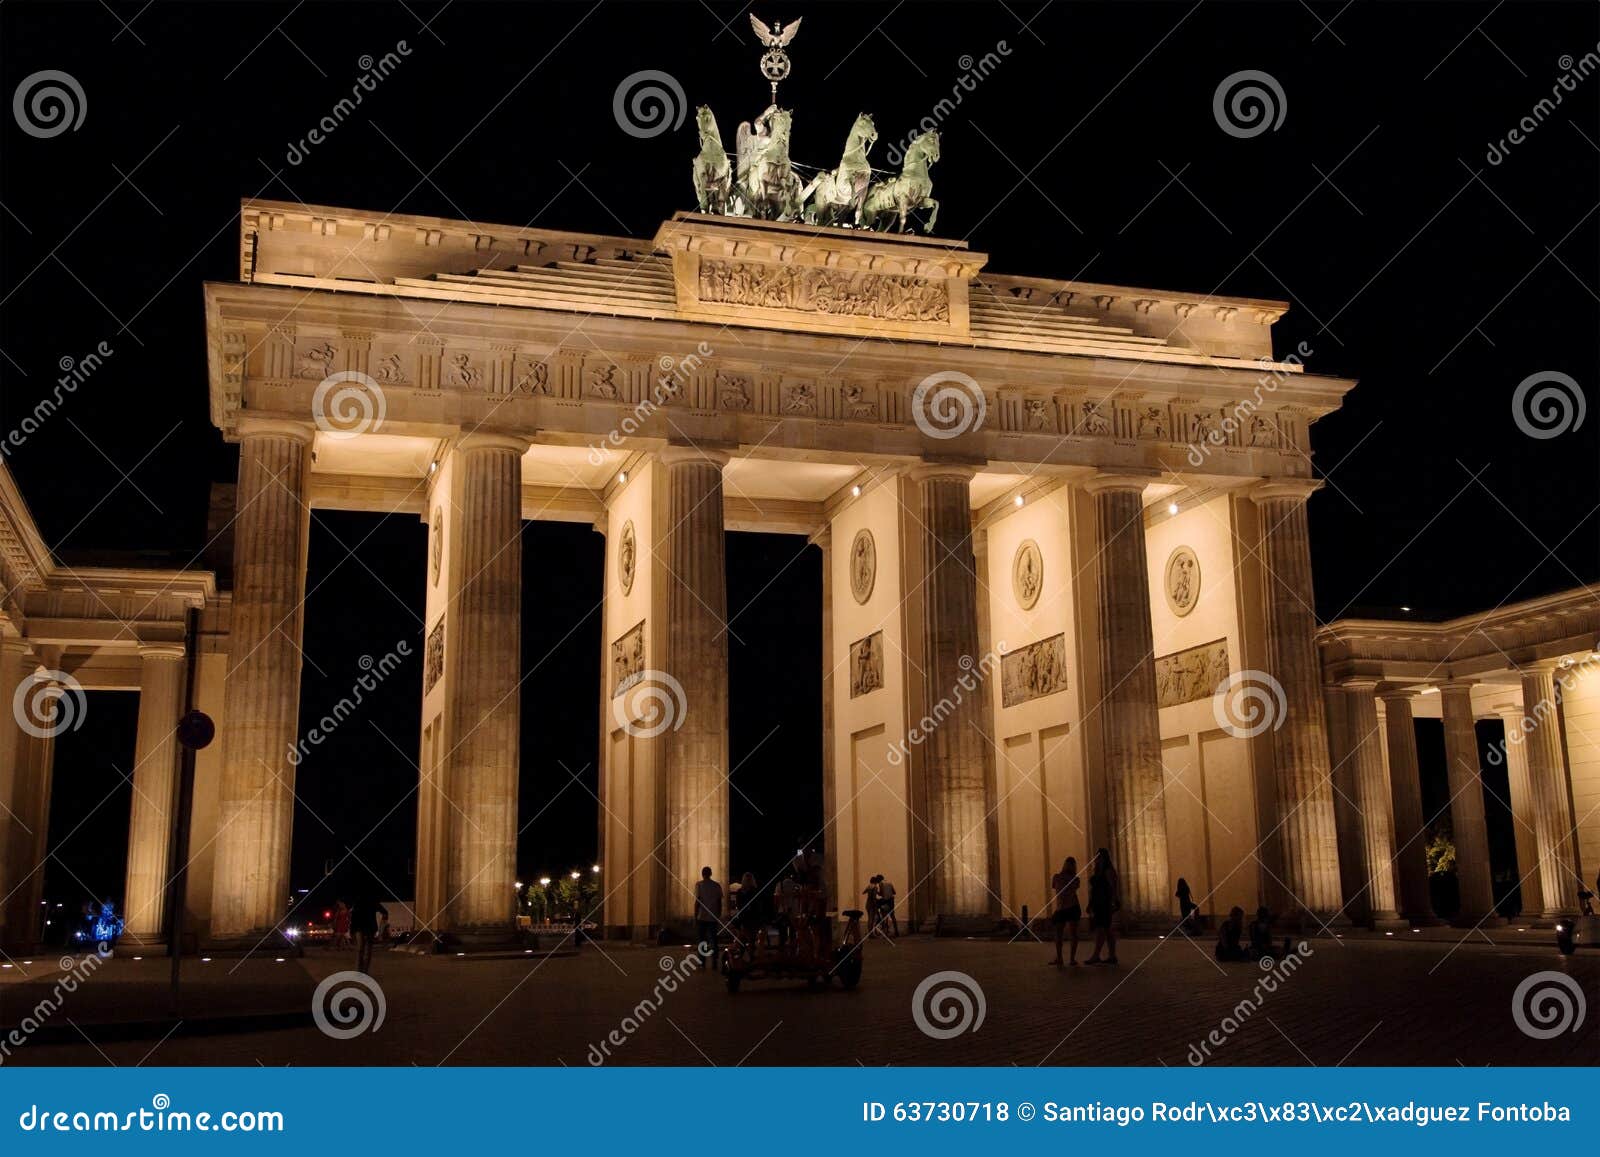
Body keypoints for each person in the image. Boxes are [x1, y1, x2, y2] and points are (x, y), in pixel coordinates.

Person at [1083, 847, 1120, 965]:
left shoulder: (1108, 871)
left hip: (1105, 902)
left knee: (1101, 929)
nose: (1096, 859)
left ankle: (1096, 955)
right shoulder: (1098, 871)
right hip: (1098, 902)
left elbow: (1113, 887)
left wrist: (1113, 901)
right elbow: (1094, 889)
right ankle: (1112, 955)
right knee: (1107, 930)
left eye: (1099, 857)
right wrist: (1090, 903)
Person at [1049, 856, 1082, 966]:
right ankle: (1065, 958)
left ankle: (1066, 958)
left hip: (1067, 908)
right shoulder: (1075, 879)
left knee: (1066, 934)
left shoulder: (1058, 877)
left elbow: (1056, 888)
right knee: (1065, 934)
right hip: (1068, 907)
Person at [694, 866, 723, 969]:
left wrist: (695, 915)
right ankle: (714, 961)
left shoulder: (699, 885)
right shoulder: (717, 886)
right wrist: (718, 914)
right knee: (714, 940)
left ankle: (702, 962)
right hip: (713, 917)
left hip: (702, 917)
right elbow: (719, 902)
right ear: (711, 874)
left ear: (702, 874)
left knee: (702, 941)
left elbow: (697, 901)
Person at [351, 895, 388, 974]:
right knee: (364, 949)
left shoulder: (362, 901)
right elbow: (385, 912)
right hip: (365, 927)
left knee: (362, 949)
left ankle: (361, 971)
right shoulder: (369, 900)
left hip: (364, 928)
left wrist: (381, 927)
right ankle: (362, 971)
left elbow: (353, 916)